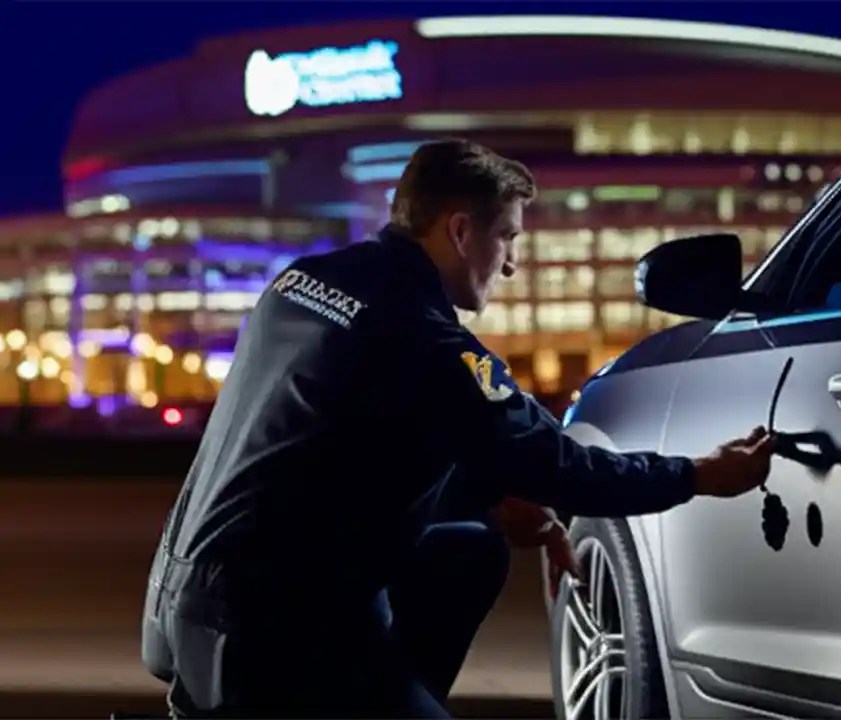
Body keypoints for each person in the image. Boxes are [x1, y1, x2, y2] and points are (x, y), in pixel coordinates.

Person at [141, 138, 776, 718]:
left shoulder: (300, 283)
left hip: (185, 603)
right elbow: (561, 466)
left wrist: (489, 497)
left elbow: (331, 452)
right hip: (272, 640)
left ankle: (378, 692)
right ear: (460, 230)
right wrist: (697, 475)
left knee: (471, 549)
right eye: (508, 238)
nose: (510, 265)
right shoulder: (427, 341)